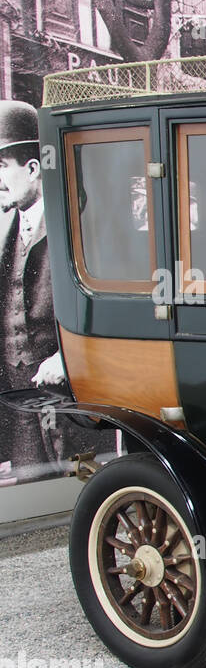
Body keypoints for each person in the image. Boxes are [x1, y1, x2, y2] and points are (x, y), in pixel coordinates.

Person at [0, 100, 64, 481]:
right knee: (31, 490)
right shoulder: (5, 227)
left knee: (76, 494)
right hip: (18, 400)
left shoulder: (72, 225)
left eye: (2, 167)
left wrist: (65, 359)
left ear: (33, 168)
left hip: (66, 395)